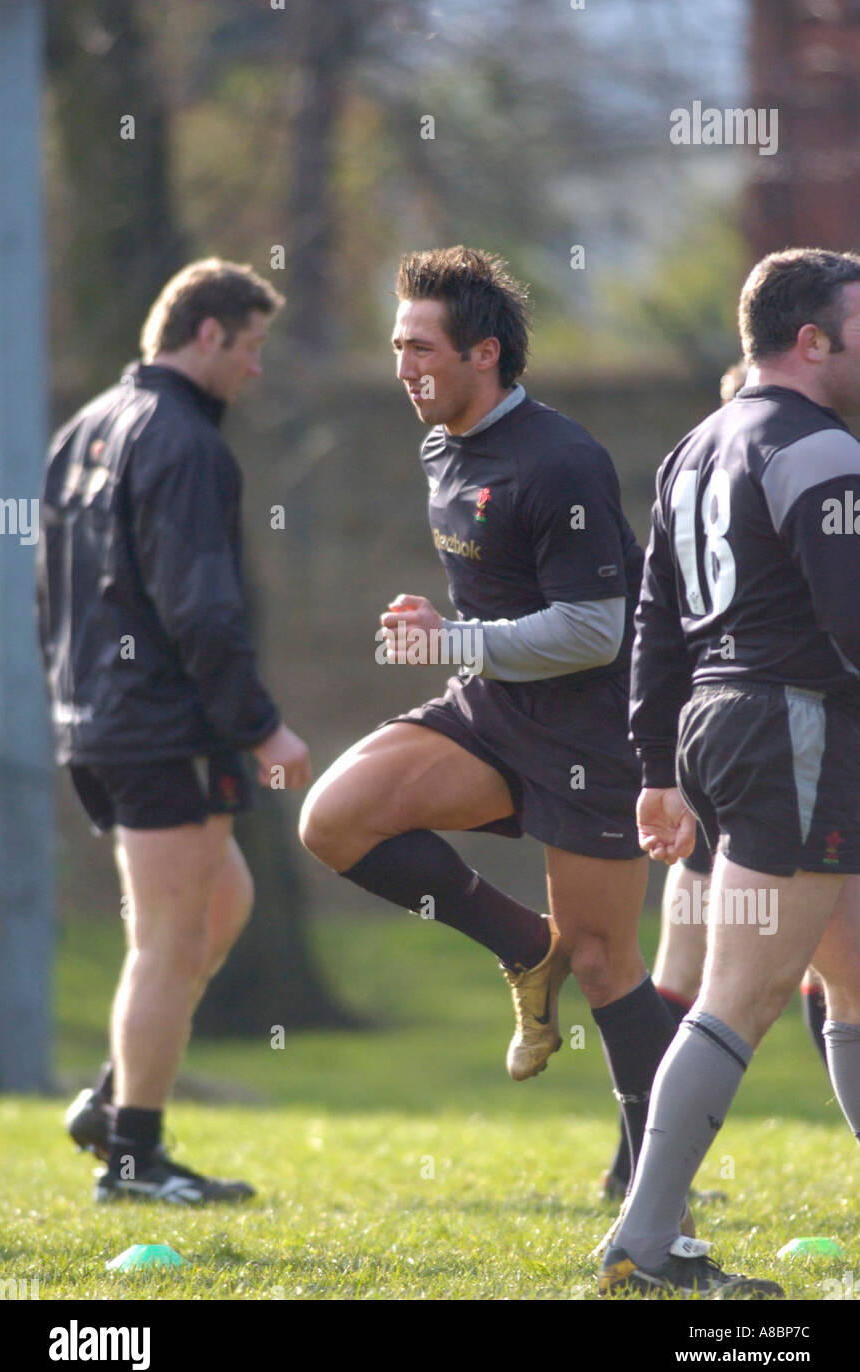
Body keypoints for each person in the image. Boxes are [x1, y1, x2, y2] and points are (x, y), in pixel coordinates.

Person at [299, 246, 679, 1194]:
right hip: (492, 713)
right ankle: (523, 946)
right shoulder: (441, 446)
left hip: (593, 735)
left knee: (605, 961)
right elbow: (498, 605)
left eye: (420, 348)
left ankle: (649, 1179)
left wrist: (453, 639)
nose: (401, 368)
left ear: (485, 353)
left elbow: (596, 630)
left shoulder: (562, 460)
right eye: (395, 347)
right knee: (333, 818)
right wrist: (444, 639)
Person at [598, 247, 860, 1298]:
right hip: (789, 723)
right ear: (813, 340)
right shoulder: (821, 449)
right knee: (741, 995)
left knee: (853, 981)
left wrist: (658, 765)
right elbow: (852, 624)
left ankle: (645, 1233)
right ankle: (645, 1240)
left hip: (725, 719)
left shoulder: (693, 447)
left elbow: (656, 624)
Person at [37, 258, 311, 1204]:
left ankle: (113, 1105)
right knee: (166, 935)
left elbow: (51, 597)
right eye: (251, 347)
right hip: (159, 730)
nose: (255, 368)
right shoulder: (185, 441)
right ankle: (132, 1161)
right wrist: (261, 728)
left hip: (98, 727)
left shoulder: (81, 433)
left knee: (219, 902)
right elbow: (200, 609)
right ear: (207, 334)